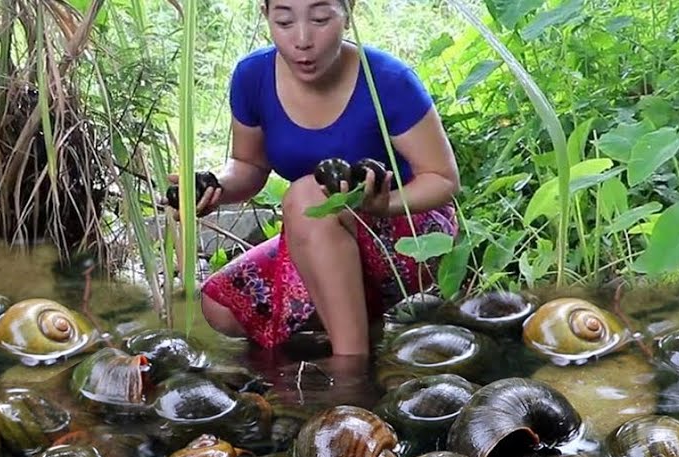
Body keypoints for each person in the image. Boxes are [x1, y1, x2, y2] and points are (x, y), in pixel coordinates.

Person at [167, 0, 460, 362]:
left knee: (306, 195)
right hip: (321, 228)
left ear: (348, 11)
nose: (302, 40)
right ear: (266, 16)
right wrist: (213, 187)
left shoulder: (388, 80)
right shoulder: (253, 77)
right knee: (222, 306)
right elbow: (248, 165)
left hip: (410, 230)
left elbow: (442, 179)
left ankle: (352, 367)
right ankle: (358, 319)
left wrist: (384, 203)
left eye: (320, 19)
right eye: (285, 21)